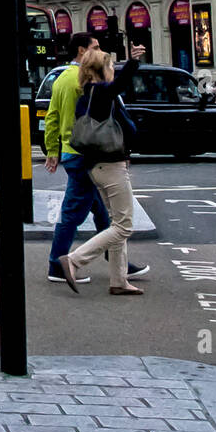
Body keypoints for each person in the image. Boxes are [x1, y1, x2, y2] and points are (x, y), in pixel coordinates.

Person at [44, 33, 148, 286]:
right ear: (82, 52)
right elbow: (116, 90)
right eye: (96, 48)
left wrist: (52, 149)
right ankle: (62, 262)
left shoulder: (60, 79)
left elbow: (52, 116)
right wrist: (133, 62)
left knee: (104, 214)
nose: (102, 53)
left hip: (75, 152)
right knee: (77, 213)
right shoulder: (95, 89)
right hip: (90, 156)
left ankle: (119, 273)